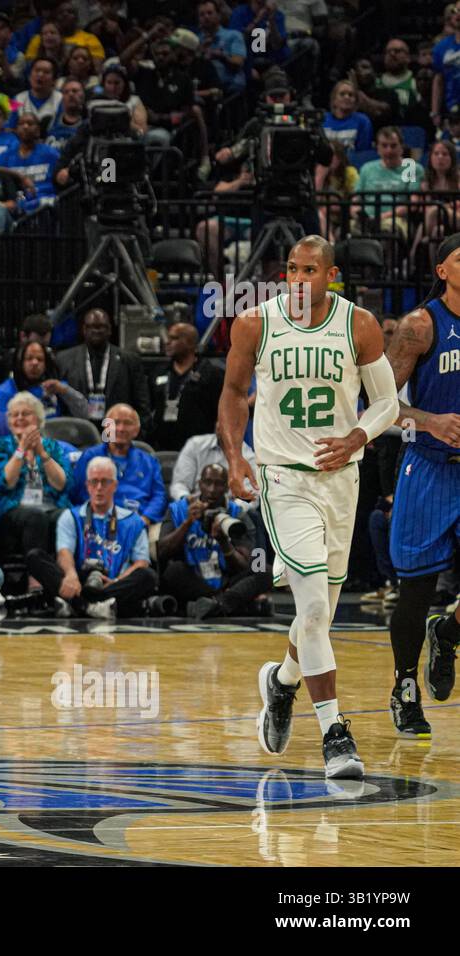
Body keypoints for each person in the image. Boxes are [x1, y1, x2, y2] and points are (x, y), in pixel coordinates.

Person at [219, 235, 399, 779]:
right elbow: (231, 393)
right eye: (291, 270)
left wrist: (357, 437)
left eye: (309, 271)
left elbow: (388, 402)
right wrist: (235, 458)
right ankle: (335, 734)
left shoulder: (358, 324)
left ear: (331, 275)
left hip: (341, 481)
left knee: (315, 610)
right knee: (317, 611)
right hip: (284, 480)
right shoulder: (254, 323)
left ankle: (282, 682)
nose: (298, 280)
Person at [383, 235, 460, 739]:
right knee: (415, 589)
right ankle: (404, 686)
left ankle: (448, 632)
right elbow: (379, 407)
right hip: (429, 466)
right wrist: (430, 421)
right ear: (443, 270)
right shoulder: (420, 326)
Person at [27, 456, 159, 620]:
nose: (99, 488)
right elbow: (64, 553)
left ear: (115, 486)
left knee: (148, 576)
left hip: (113, 583)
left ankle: (77, 604)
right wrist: (70, 575)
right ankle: (94, 607)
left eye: (105, 482)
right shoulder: (71, 516)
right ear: (87, 486)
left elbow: (141, 562)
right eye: (94, 482)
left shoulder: (133, 521)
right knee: (35, 557)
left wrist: (116, 581)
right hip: (77, 581)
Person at [159, 463, 270, 619]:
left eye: (218, 484)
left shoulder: (237, 513)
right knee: (173, 571)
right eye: (208, 482)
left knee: (264, 570)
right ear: (200, 484)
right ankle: (230, 602)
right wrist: (188, 522)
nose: (211, 489)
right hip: (193, 578)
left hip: (226, 579)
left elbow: (244, 565)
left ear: (227, 487)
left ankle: (215, 604)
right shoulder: (178, 510)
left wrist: (223, 542)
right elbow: (162, 553)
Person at [0, 390, 72, 569]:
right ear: (9, 421)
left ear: (38, 418)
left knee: (68, 516)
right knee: (35, 516)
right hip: (14, 513)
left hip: (51, 507)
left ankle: (69, 574)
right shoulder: (1, 446)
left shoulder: (52, 446)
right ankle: (36, 580)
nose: (19, 418)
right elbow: (3, 483)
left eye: (25, 413)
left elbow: (62, 484)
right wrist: (21, 450)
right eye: (14, 415)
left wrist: (41, 453)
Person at [69, 404, 168, 531]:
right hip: (98, 520)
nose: (121, 428)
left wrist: (146, 518)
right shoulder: (90, 457)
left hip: (140, 523)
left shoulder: (149, 461)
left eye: (127, 423)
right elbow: (77, 492)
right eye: (116, 422)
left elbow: (159, 496)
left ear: (136, 430)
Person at [55, 308, 152, 426]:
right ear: (84, 330)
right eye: (91, 327)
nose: (96, 331)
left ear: (109, 330)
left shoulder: (129, 360)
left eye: (101, 327)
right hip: (77, 431)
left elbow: (143, 404)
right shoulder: (63, 359)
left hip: (115, 429)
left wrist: (139, 433)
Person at [149, 321, 225, 449]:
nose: (167, 342)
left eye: (174, 338)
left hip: (200, 447)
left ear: (190, 343)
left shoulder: (211, 374)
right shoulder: (159, 372)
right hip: (162, 446)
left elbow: (221, 411)